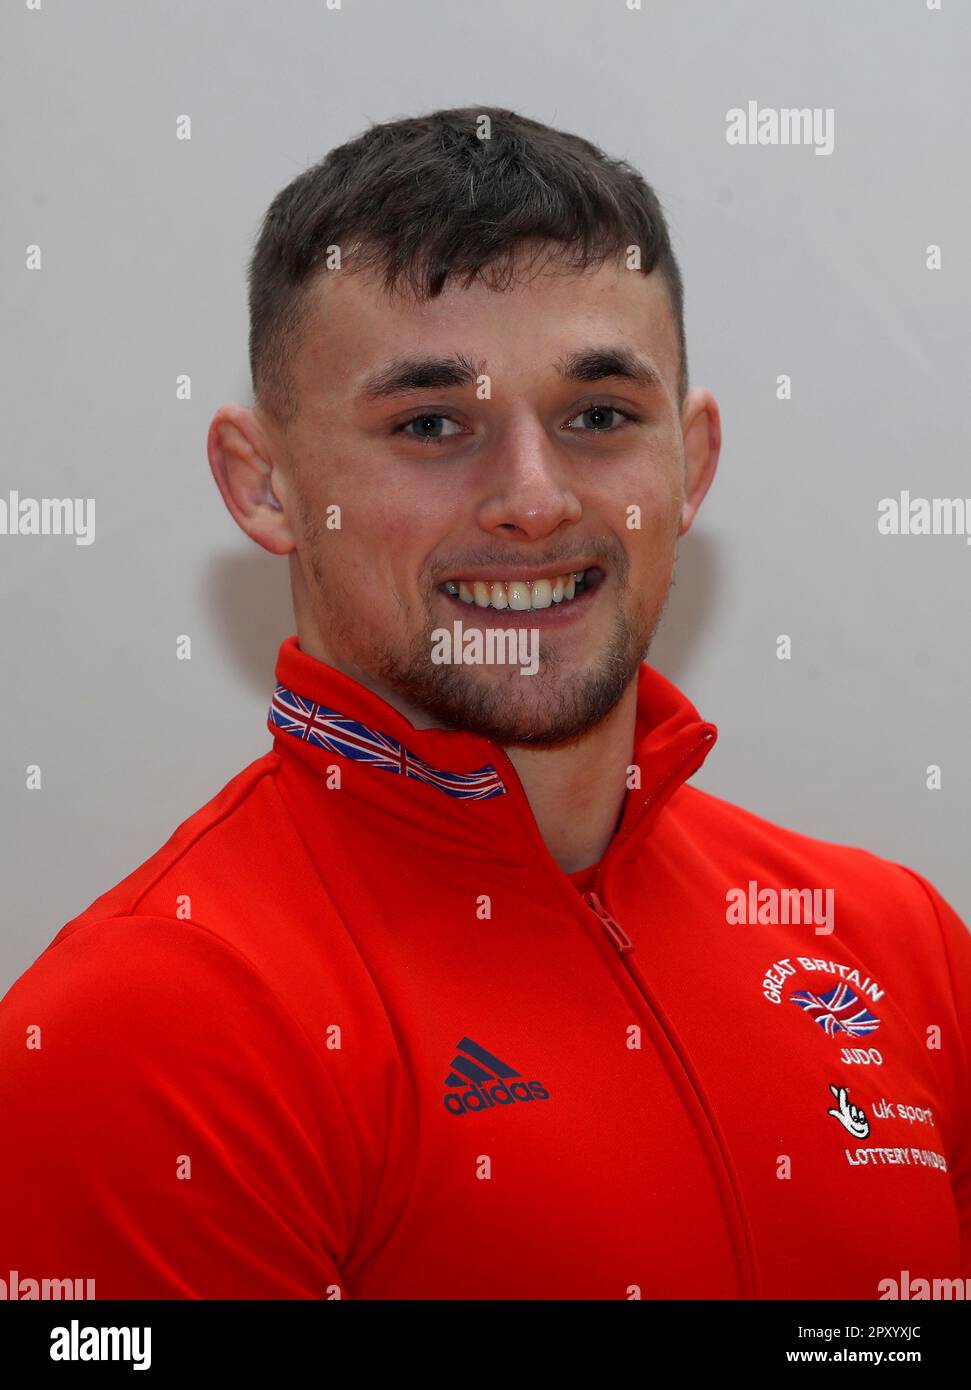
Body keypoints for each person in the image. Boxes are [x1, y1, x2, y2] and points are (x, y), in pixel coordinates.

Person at [1, 105, 968, 1301]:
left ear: (690, 461)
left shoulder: (892, 944)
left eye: (598, 416)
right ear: (266, 487)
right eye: (429, 424)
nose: (531, 498)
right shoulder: (154, 1026)